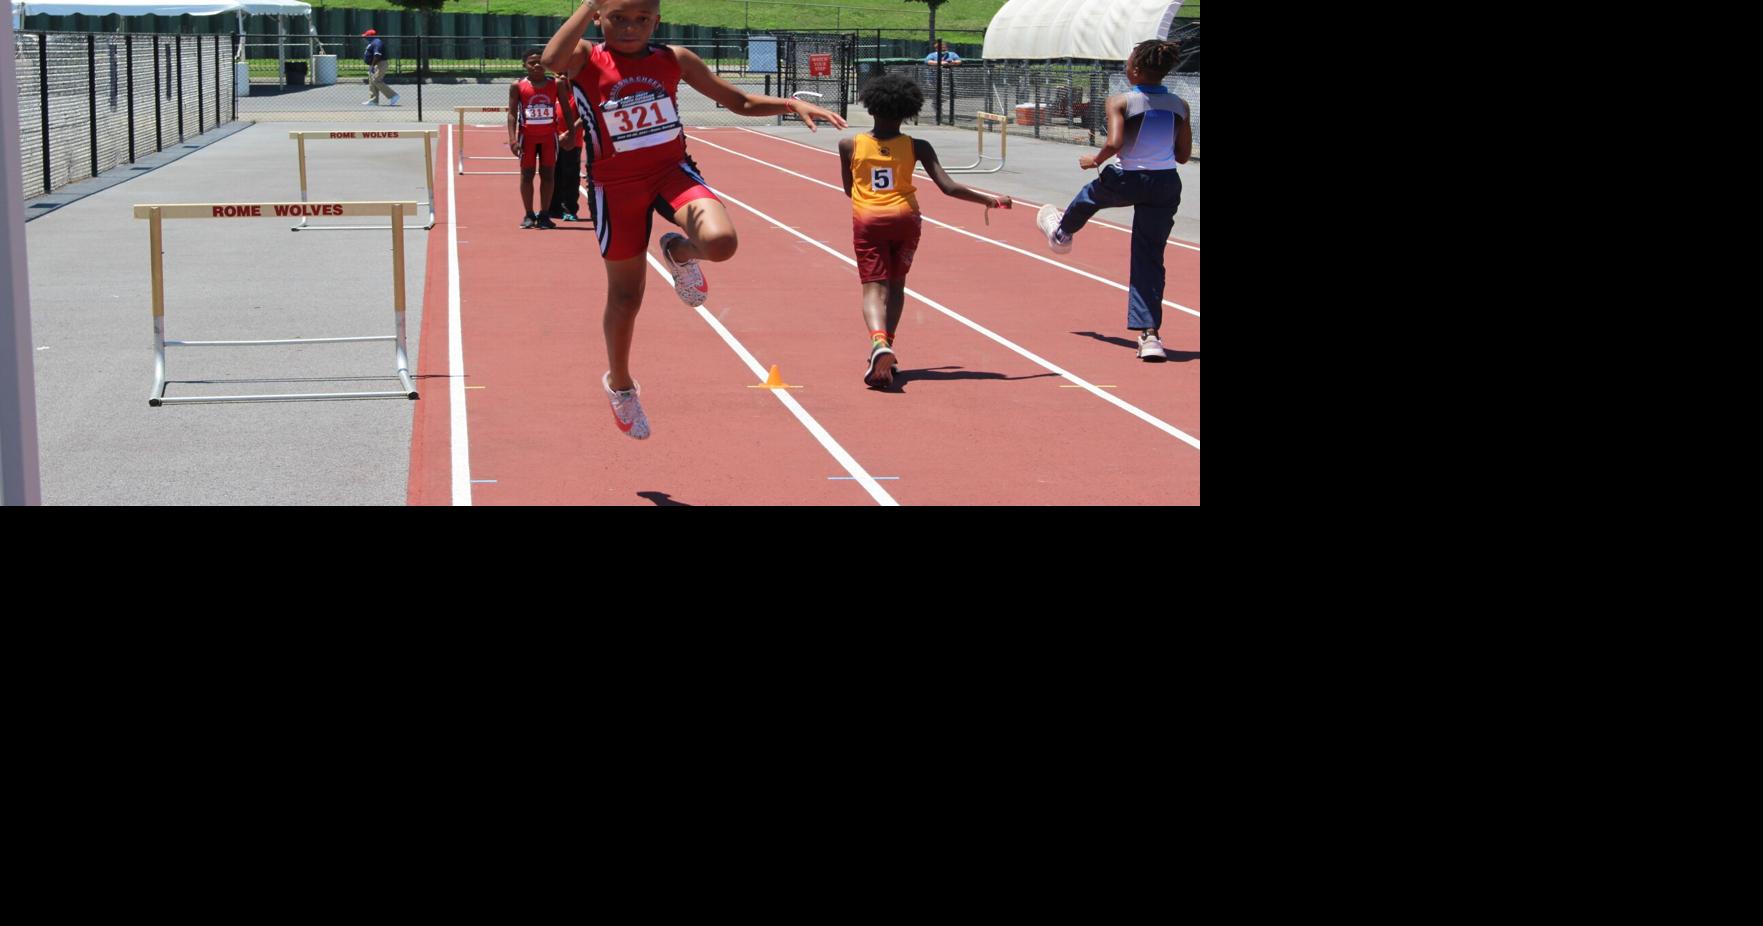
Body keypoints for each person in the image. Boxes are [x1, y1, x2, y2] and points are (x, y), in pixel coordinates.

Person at [542, 0, 846, 440]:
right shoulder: (588, 58)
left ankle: (678, 251)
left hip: (671, 173)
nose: (630, 28)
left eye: (641, 19)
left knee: (722, 242)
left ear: (656, 21)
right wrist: (590, 2)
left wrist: (788, 104)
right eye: (618, 18)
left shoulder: (673, 59)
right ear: (598, 18)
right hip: (617, 187)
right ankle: (621, 385)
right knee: (626, 298)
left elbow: (738, 100)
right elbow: (552, 61)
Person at [840, 73, 1009, 388]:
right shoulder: (918, 146)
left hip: (868, 220)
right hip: (906, 219)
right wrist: (990, 199)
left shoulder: (849, 144)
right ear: (908, 111)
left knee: (874, 288)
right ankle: (887, 345)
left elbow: (849, 190)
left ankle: (879, 343)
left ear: (871, 107)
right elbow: (948, 187)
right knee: (897, 286)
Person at [1035, 39, 1191, 362]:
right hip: (1164, 184)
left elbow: (1116, 142)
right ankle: (1149, 337)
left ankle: (1062, 234)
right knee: (1148, 257)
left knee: (1089, 197)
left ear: (1134, 68)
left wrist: (1095, 159)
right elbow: (1184, 155)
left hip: (1128, 179)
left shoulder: (1120, 101)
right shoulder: (1180, 105)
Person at [508, 49, 567, 229]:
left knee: (548, 174)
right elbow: (512, 114)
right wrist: (512, 140)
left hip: (550, 137)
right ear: (524, 65)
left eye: (540, 61)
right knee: (527, 175)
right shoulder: (517, 86)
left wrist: (570, 131)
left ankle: (544, 214)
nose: (536, 65)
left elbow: (566, 108)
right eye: (531, 62)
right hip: (527, 137)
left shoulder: (556, 84)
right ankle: (528, 214)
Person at [548, 76, 589, 222]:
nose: (562, 76)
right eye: (559, 73)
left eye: (565, 73)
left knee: (570, 176)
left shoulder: (577, 94)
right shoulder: (551, 92)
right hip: (553, 139)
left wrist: (568, 134)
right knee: (553, 175)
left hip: (572, 140)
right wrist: (557, 135)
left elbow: (584, 115)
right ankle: (553, 208)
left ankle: (569, 209)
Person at [361, 29, 398, 107]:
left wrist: (372, 66)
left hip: (381, 64)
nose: (365, 38)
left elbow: (377, 55)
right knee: (372, 81)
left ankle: (393, 95)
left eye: (366, 36)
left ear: (371, 36)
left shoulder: (377, 42)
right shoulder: (373, 42)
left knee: (376, 80)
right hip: (375, 64)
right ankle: (373, 101)